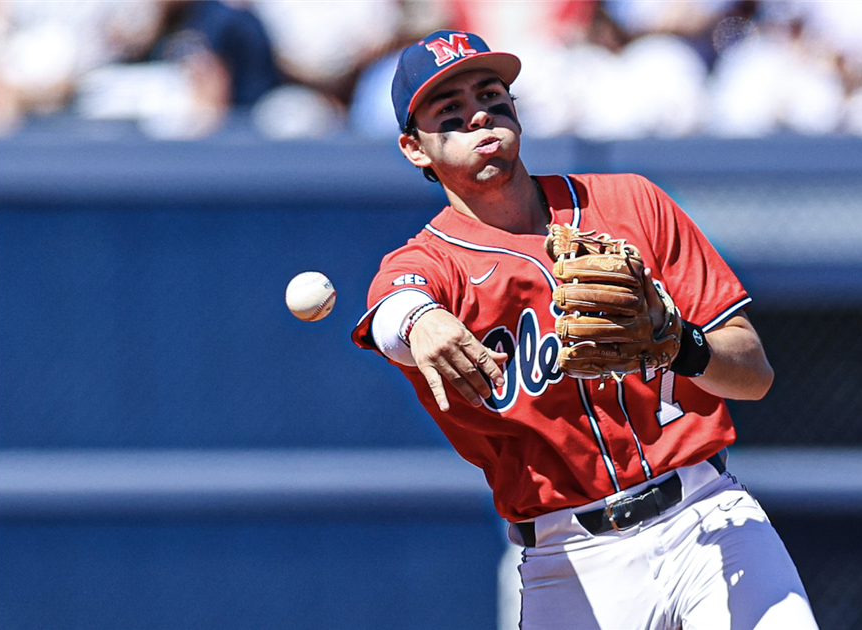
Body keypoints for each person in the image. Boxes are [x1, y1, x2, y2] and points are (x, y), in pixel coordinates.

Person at [351, 30, 819, 630]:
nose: (479, 115)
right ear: (415, 149)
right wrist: (419, 321)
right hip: (570, 557)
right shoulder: (430, 264)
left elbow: (753, 374)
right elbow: (393, 308)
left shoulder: (631, 203)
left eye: (492, 96)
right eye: (451, 111)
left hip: (708, 516)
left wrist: (680, 341)